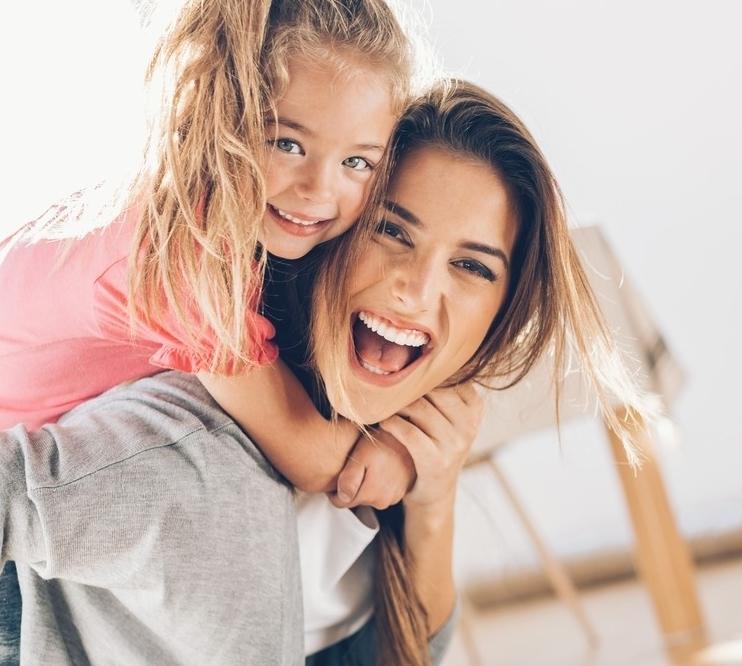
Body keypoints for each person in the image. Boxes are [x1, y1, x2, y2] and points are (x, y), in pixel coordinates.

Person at [1, 80, 652, 665]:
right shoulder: (192, 444)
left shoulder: (384, 446)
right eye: (391, 231)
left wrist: (432, 502)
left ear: (501, 312)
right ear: (326, 230)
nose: (417, 290)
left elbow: (392, 652)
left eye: (472, 266)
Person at [0, 0, 419, 659]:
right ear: (222, 117)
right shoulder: (187, 255)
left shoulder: (192, 213)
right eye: (286, 143)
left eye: (358, 163)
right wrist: (409, 444)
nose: (318, 188)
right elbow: (311, 458)